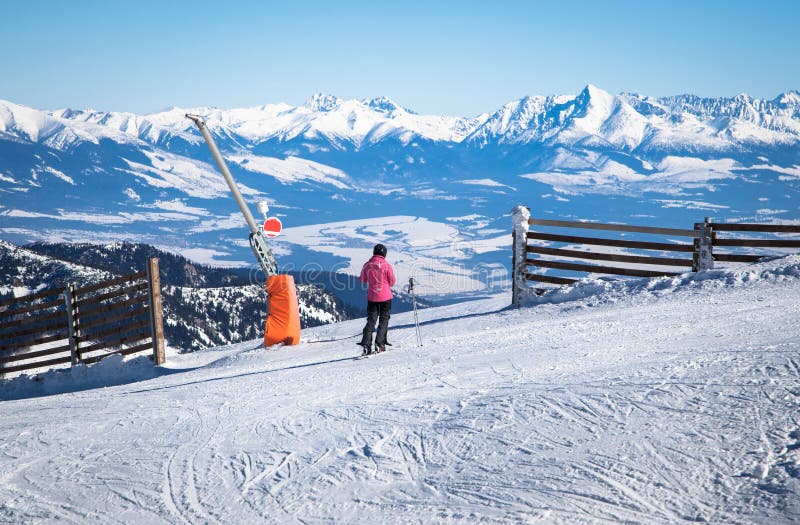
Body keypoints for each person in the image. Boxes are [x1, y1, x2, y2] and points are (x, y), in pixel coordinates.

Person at [357, 243, 396, 355]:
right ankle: (380, 344)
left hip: (372, 296)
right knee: (384, 320)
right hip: (386, 297)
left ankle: (366, 344)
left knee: (371, 320)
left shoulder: (367, 265)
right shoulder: (387, 265)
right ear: (384, 254)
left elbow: (362, 280)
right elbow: (392, 282)